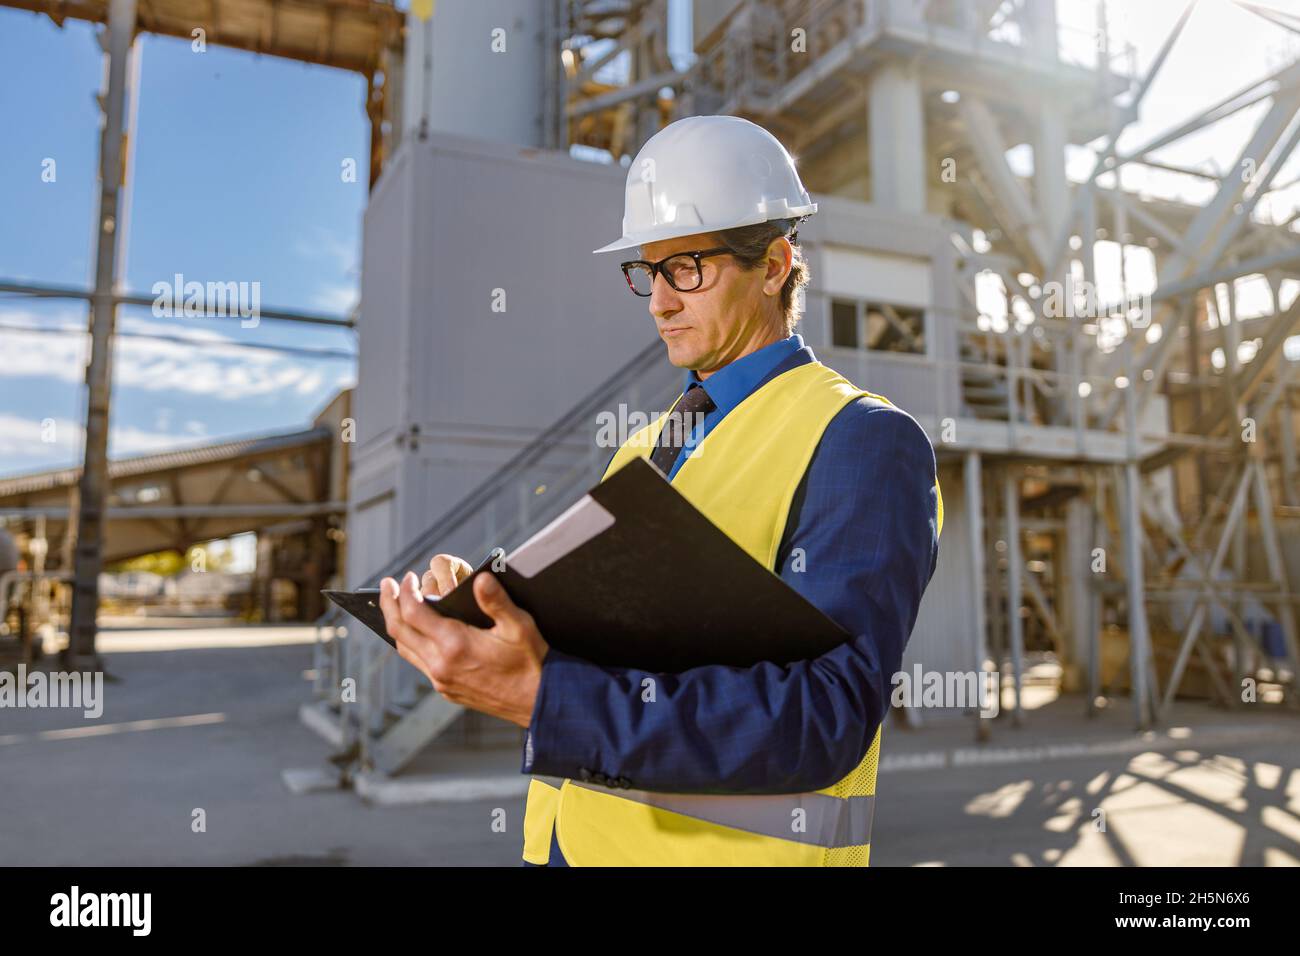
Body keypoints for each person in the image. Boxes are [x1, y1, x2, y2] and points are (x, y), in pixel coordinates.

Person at [379, 115, 942, 866]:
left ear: (774, 264)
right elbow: (615, 645)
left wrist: (545, 702)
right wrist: (496, 619)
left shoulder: (861, 439)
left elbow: (826, 715)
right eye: (649, 271)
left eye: (689, 268)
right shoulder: (649, 445)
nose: (659, 302)